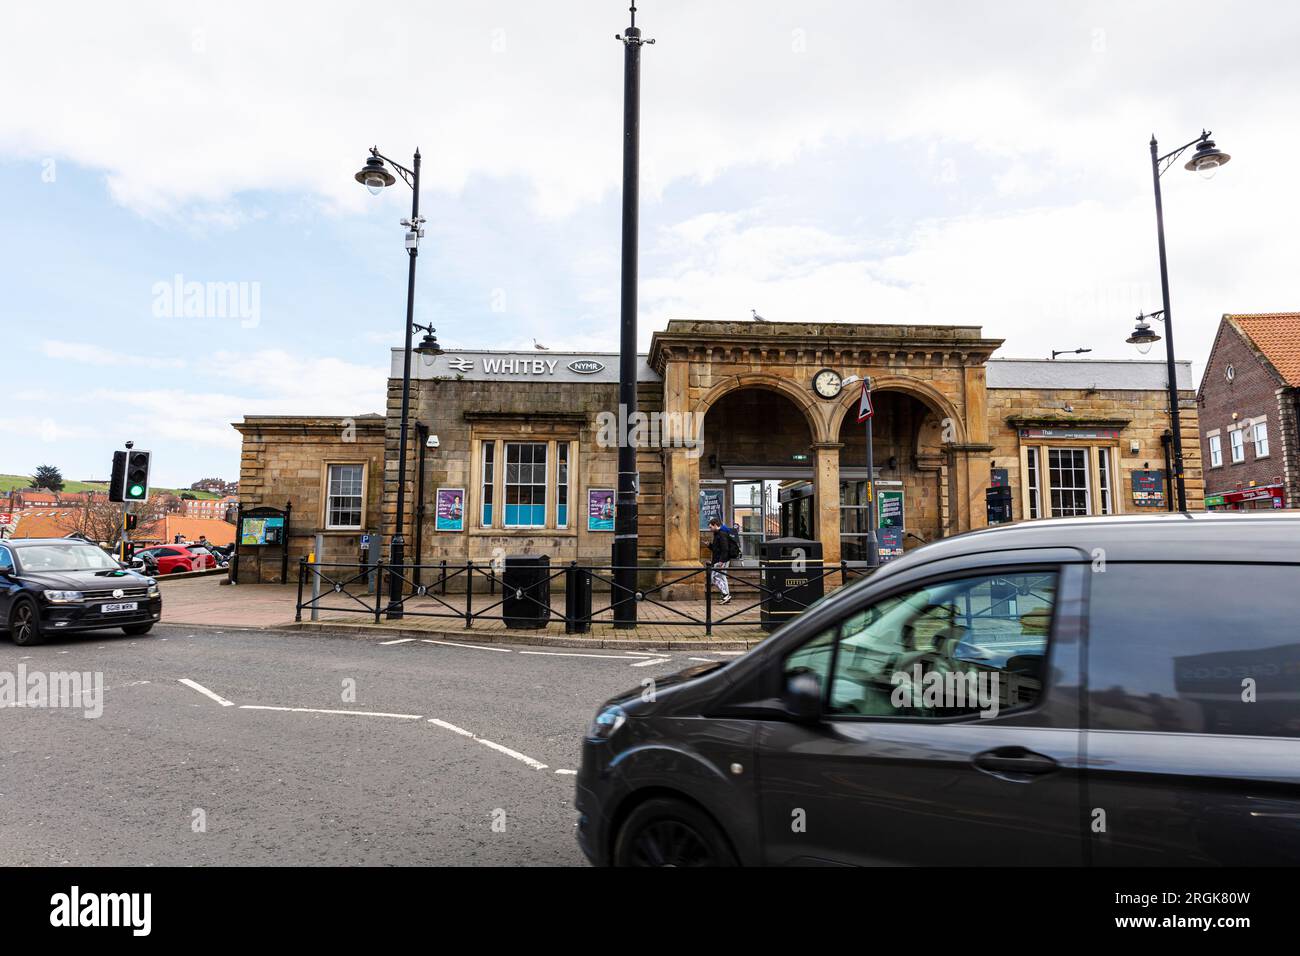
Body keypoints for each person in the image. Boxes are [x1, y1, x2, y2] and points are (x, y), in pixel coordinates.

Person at [707, 517, 736, 605]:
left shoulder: (722, 534)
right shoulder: (717, 534)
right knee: (722, 577)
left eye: (710, 527)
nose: (710, 529)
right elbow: (717, 549)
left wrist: (721, 561)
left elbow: (725, 549)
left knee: (714, 578)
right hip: (720, 559)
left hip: (721, 560)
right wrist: (709, 545)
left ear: (715, 525)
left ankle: (726, 594)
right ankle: (726, 596)